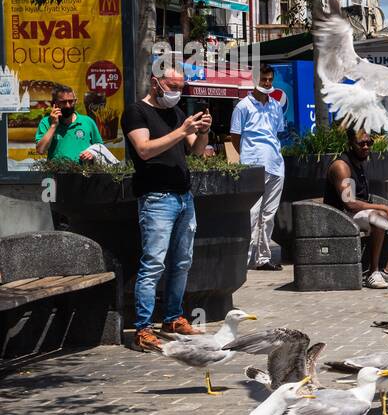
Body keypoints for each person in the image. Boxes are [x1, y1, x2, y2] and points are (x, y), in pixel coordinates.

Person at [122, 61, 211, 351]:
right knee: (154, 263)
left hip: (183, 196)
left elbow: (195, 150)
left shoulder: (176, 113)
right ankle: (143, 328)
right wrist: (181, 129)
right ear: (155, 82)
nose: (177, 93)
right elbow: (145, 150)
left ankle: (173, 317)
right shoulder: (137, 112)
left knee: (182, 260)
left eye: (180, 88)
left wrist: (203, 132)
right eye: (173, 87)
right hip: (156, 198)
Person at [325, 126, 388, 289]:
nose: (366, 147)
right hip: (343, 215)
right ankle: (372, 273)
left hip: (360, 211)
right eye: (361, 144)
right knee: (380, 216)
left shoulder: (359, 163)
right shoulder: (342, 166)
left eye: (369, 143)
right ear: (350, 143)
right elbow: (349, 203)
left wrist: (381, 208)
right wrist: (382, 207)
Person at [230, 65, 286, 270]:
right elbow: (235, 136)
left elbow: (276, 133)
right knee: (252, 213)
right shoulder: (243, 106)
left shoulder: (275, 106)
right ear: (255, 80)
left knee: (268, 215)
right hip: (253, 164)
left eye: (270, 79)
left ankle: (263, 258)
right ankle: (244, 260)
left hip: (276, 164)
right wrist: (247, 155)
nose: (267, 83)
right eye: (264, 79)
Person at [35, 84, 103, 163]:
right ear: (54, 104)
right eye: (63, 102)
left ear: (75, 101)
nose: (68, 105)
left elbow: (100, 148)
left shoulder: (88, 121)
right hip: (56, 173)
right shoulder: (46, 122)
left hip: (84, 173)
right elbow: (41, 150)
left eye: (71, 101)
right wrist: (53, 125)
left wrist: (92, 153)